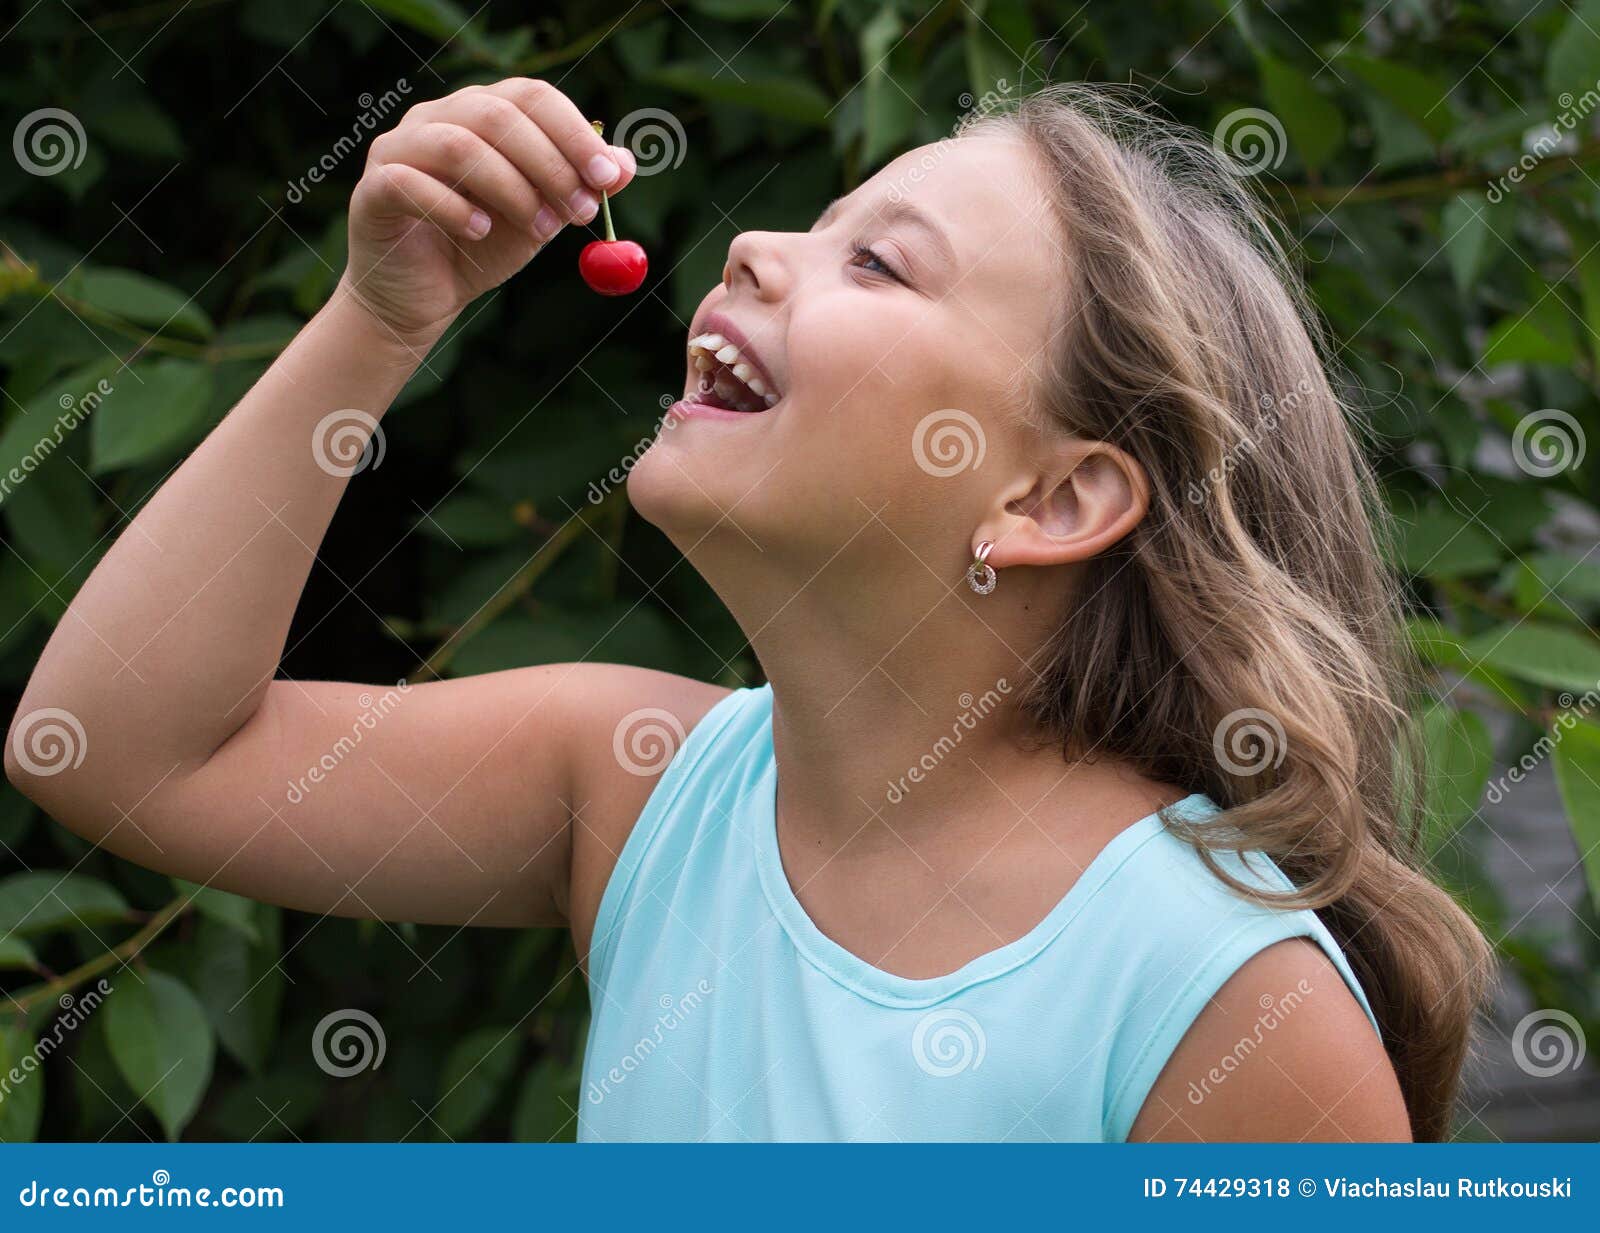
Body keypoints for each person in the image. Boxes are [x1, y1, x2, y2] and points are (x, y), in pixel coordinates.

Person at [6, 78, 1489, 1142]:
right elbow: (111, 747)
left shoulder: (1221, 1001)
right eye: (818, 219)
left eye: (878, 260)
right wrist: (378, 322)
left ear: (1046, 502)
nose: (755, 249)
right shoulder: (642, 787)